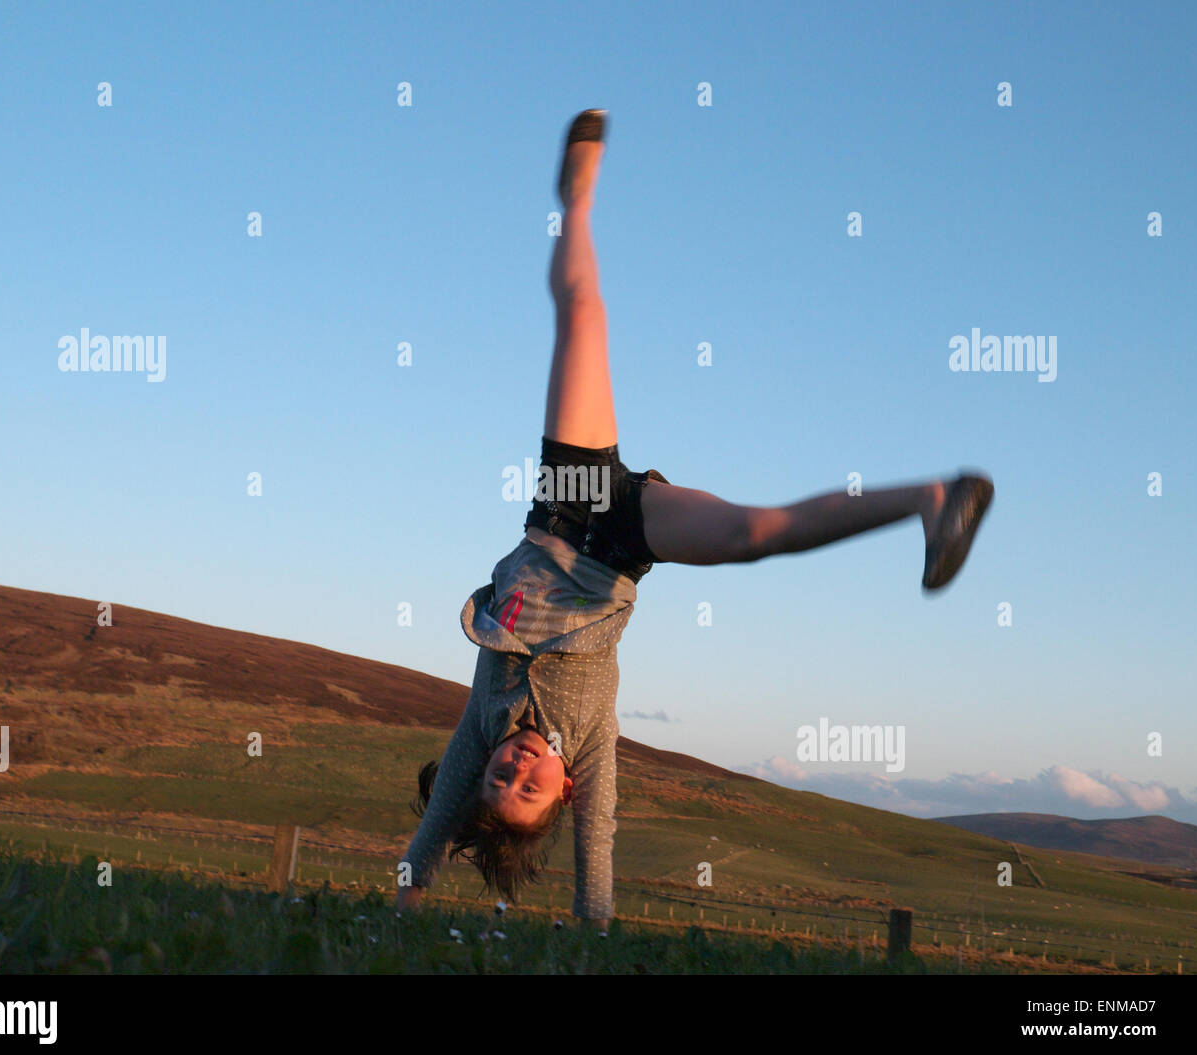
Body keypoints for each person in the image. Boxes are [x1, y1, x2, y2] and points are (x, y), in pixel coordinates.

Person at [395, 110, 993, 929]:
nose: (513, 769)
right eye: (530, 788)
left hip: (568, 507)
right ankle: (933, 499)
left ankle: (576, 201)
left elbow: (434, 826)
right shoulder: (592, 748)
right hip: (624, 545)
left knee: (582, 315)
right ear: (562, 789)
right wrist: (594, 930)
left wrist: (405, 896)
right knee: (755, 536)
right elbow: (596, 845)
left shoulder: (484, 713)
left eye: (499, 778)